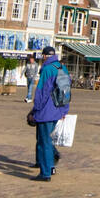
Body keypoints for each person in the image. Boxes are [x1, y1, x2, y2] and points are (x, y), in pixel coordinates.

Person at [30, 44, 70, 181]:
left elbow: (42, 92)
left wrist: (35, 110)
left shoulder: (46, 69)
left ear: (45, 56)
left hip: (46, 111)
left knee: (43, 142)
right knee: (48, 139)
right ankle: (51, 164)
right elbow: (67, 91)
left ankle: (45, 172)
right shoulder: (62, 67)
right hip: (58, 110)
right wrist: (64, 110)